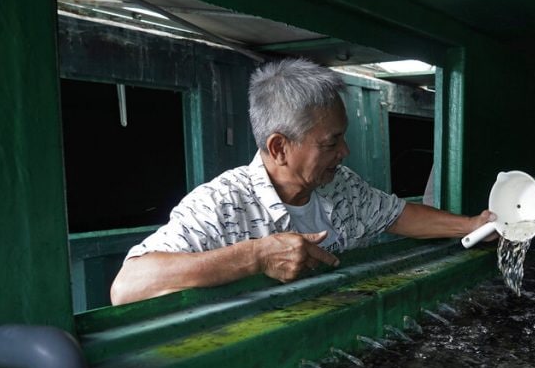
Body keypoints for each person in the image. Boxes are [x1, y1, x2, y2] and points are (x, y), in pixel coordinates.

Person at [110, 58, 495, 305]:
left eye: (342, 138)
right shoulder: (221, 204)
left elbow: (396, 215)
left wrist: (473, 225)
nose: (344, 152)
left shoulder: (339, 185)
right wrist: (256, 256)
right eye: (331, 142)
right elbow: (128, 286)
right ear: (279, 147)